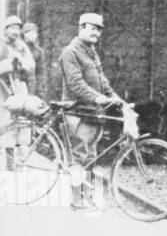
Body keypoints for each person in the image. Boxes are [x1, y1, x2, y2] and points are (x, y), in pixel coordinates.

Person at [58, 12, 123, 164]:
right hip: (77, 113)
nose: (97, 33)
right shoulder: (70, 52)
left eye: (99, 30)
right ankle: (75, 188)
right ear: (81, 28)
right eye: (93, 29)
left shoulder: (92, 53)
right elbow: (76, 84)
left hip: (92, 113)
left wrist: (116, 98)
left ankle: (85, 188)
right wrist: (96, 97)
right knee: (78, 158)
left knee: (91, 159)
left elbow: (102, 81)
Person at [21, 22, 46, 100]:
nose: (34, 35)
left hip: (33, 86)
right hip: (20, 84)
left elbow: (41, 72)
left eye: (35, 33)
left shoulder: (39, 51)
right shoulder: (20, 48)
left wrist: (41, 90)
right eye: (30, 32)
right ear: (24, 34)